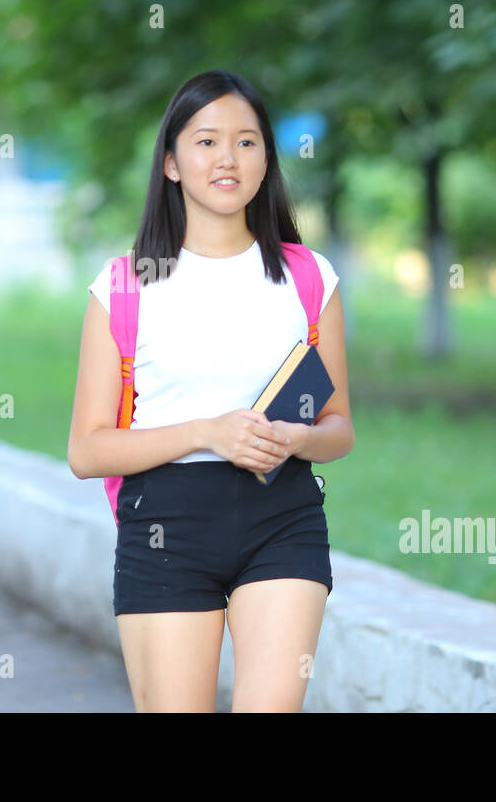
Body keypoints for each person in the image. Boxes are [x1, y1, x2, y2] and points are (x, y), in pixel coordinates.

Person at [67, 69, 354, 712]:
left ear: (266, 161)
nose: (228, 158)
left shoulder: (310, 278)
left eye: (247, 142)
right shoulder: (124, 286)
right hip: (166, 525)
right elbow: (86, 451)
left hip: (284, 517)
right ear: (171, 163)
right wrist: (207, 433)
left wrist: (299, 437)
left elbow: (340, 427)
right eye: (206, 141)